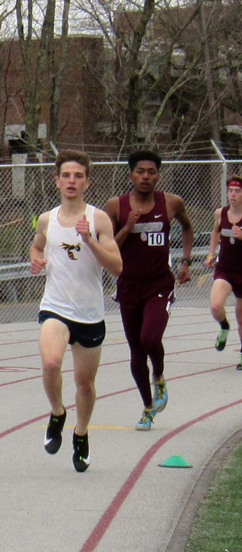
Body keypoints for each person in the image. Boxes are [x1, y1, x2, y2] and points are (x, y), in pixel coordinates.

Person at [28, 151, 122, 473]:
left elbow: (117, 266)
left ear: (87, 182)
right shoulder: (46, 219)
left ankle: (80, 434)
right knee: (51, 361)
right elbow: (38, 244)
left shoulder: (98, 220)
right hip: (55, 306)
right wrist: (37, 259)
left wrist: (88, 240)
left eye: (78, 176)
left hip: (90, 313)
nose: (72, 181)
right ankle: (57, 412)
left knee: (84, 384)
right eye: (66, 175)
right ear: (56, 181)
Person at [103, 150, 195, 430]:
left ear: (158, 175)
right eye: (140, 171)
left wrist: (186, 261)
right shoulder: (115, 207)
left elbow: (188, 228)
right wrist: (127, 227)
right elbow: (107, 248)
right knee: (135, 351)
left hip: (159, 283)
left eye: (151, 172)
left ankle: (160, 378)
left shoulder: (170, 203)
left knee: (150, 338)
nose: (145, 177)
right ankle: (147, 407)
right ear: (131, 174)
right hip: (129, 286)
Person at [203, 176, 242, 370]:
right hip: (225, 269)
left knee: (241, 317)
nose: (233, 195)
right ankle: (224, 327)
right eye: (231, 191)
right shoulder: (221, 213)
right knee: (215, 306)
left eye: (237, 191)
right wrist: (211, 253)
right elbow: (215, 232)